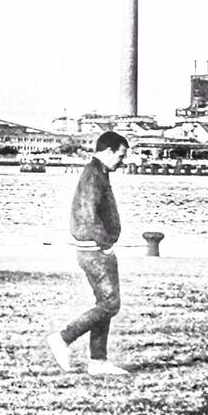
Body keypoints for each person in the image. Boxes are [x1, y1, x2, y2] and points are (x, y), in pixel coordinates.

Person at [47, 131, 130, 376]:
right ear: (108, 152)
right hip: (94, 250)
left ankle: (98, 361)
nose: (122, 162)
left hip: (95, 248)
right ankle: (63, 338)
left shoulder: (98, 173)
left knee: (104, 303)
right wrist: (105, 242)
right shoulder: (93, 176)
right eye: (120, 156)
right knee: (110, 304)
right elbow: (87, 216)